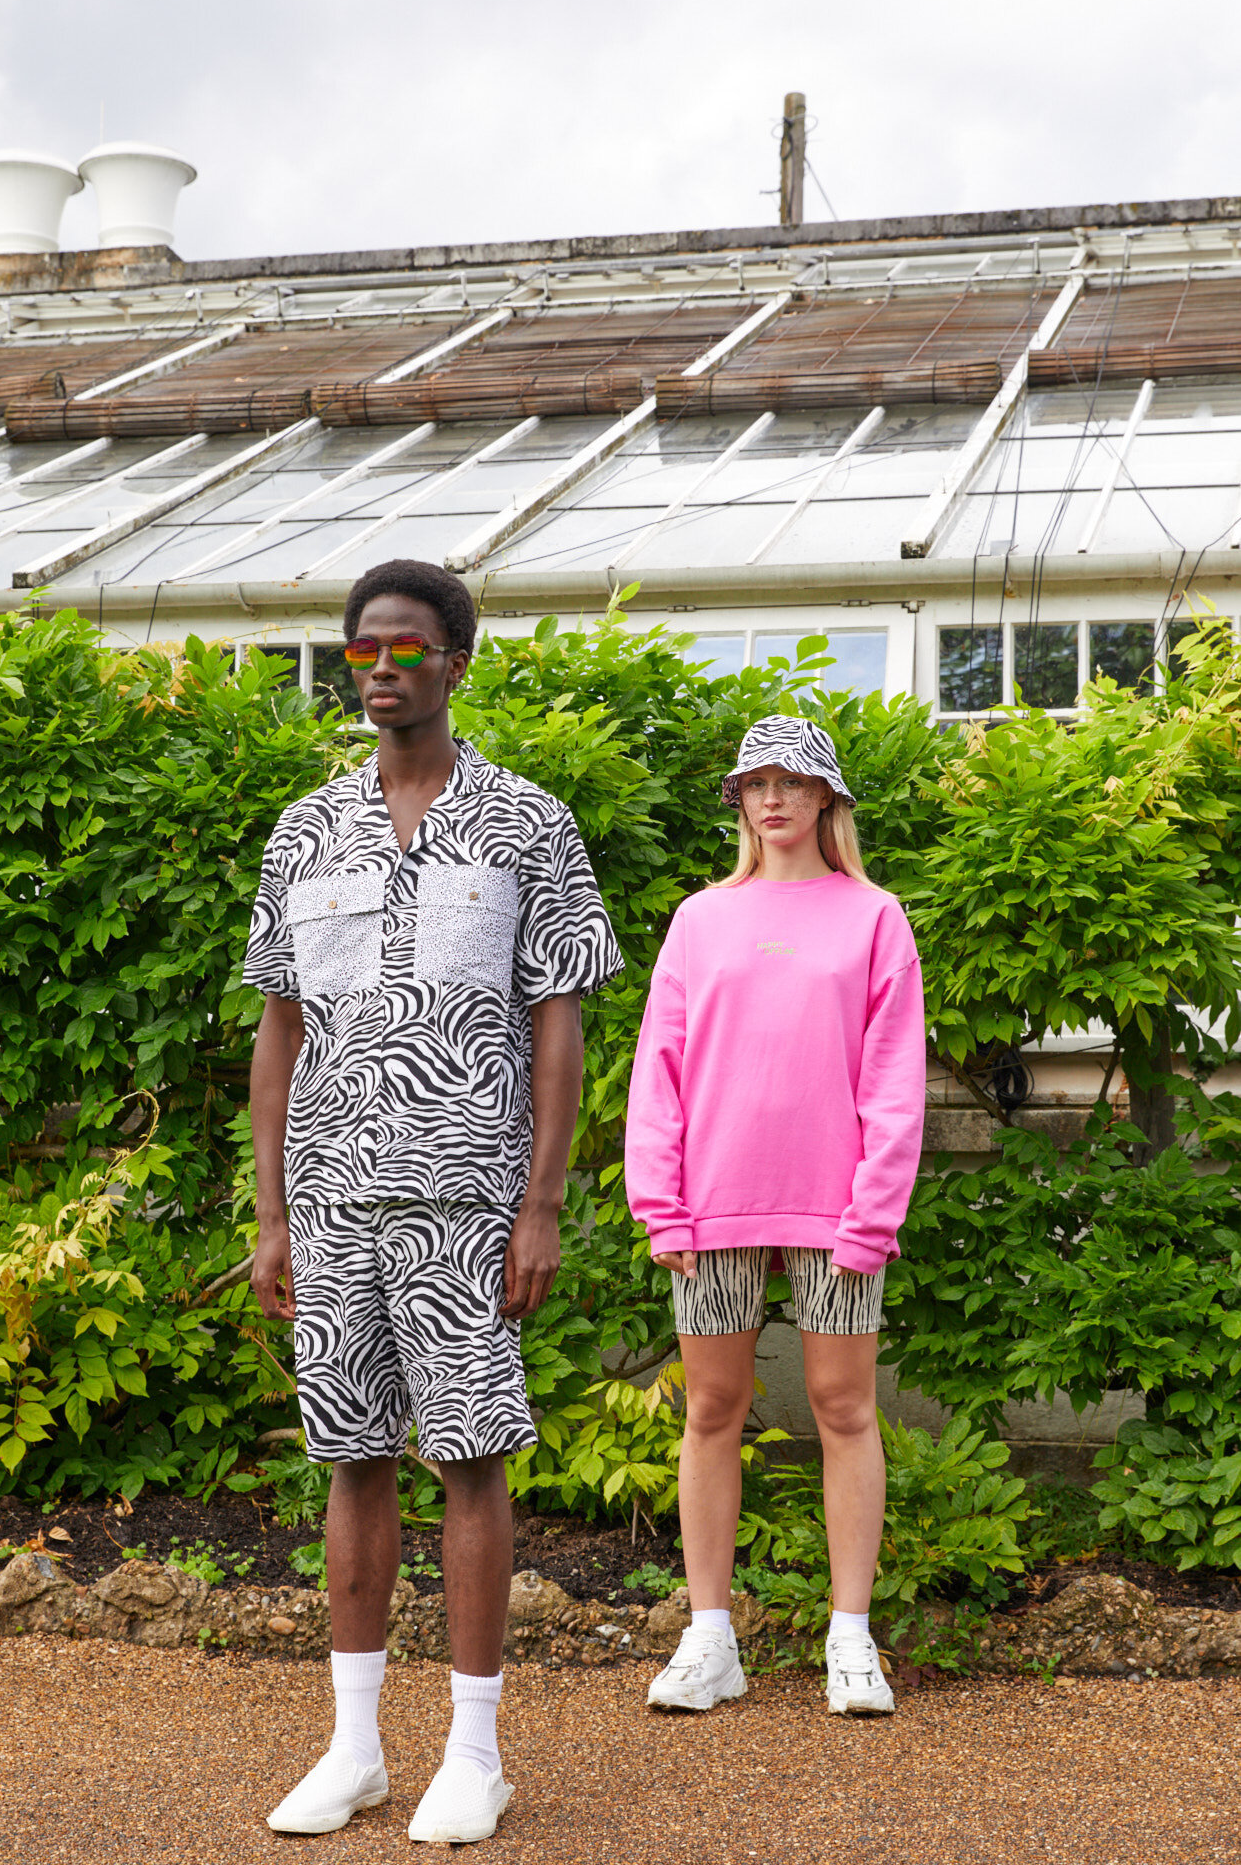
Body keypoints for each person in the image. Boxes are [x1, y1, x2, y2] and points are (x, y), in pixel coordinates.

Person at [245, 559, 621, 1844]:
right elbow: (279, 1031)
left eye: (407, 645)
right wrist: (273, 1213)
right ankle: (354, 1746)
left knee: (468, 1457)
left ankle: (475, 1750)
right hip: (333, 1193)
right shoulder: (305, 830)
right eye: (362, 650)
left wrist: (543, 1203)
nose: (382, 666)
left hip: (467, 1203)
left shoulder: (528, 822)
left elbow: (556, 1026)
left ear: (459, 659)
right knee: (350, 1459)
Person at [624, 715, 925, 1717]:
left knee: (844, 1409)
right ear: (739, 802)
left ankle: (850, 1638)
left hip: (838, 1208)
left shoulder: (876, 915)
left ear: (829, 798)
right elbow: (657, 1069)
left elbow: (893, 1080)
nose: (773, 797)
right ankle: (710, 1636)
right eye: (755, 782)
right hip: (712, 1206)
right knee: (710, 1411)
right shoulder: (699, 918)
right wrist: (659, 1200)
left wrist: (873, 1210)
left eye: (793, 780)